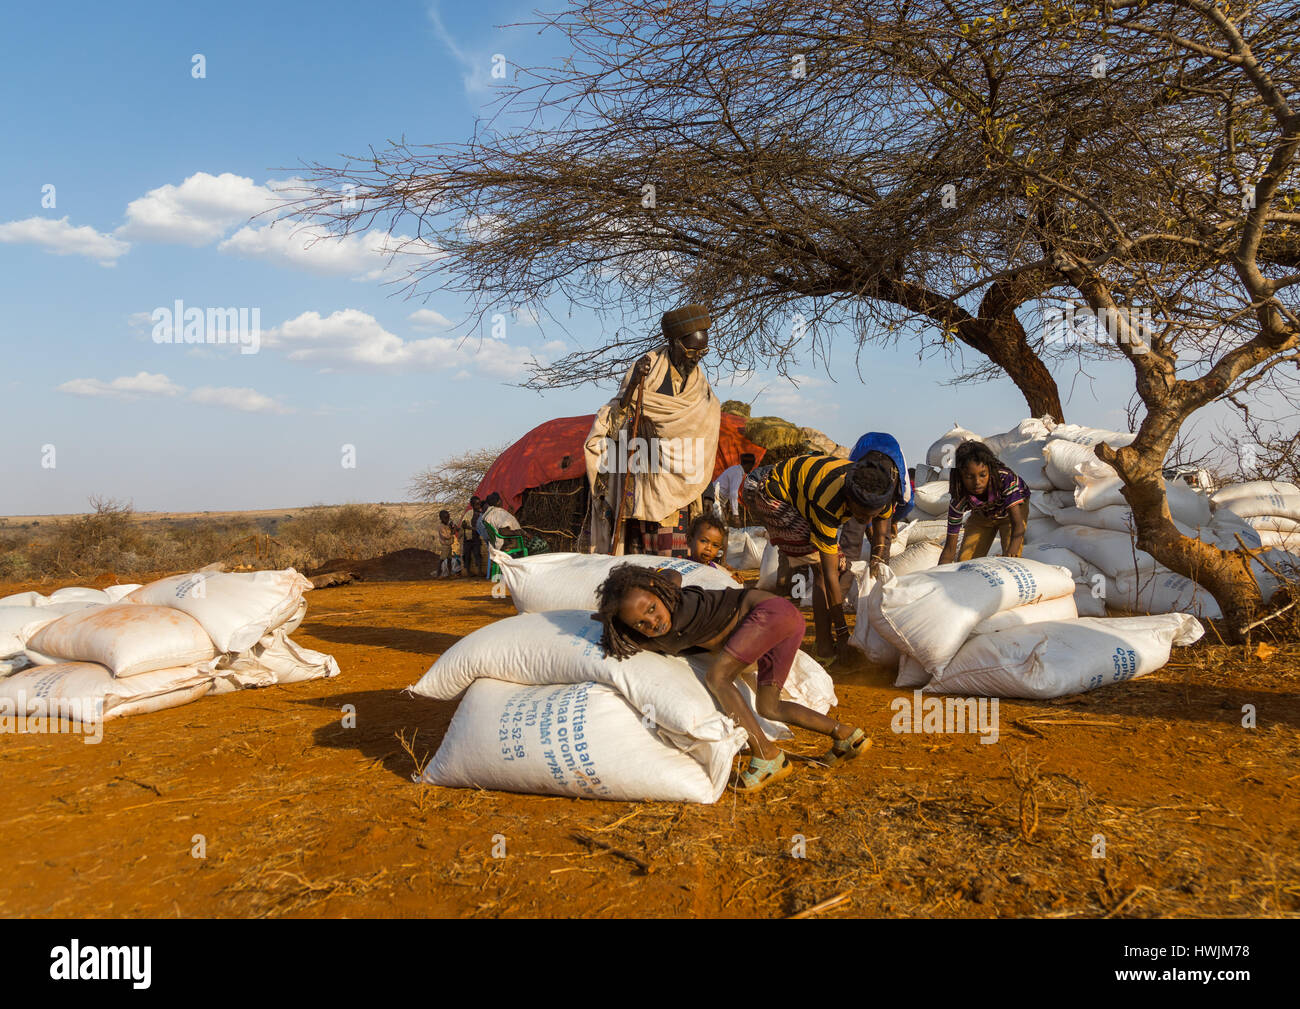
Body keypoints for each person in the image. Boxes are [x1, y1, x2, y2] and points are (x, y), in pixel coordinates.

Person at [592, 564, 868, 792]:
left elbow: (657, 628)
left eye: (652, 609)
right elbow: (672, 577)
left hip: (767, 614)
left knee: (718, 677)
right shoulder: (668, 598)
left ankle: (766, 754)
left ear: (657, 592)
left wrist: (616, 630)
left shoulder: (677, 620)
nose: (653, 622)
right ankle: (846, 735)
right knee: (769, 706)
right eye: (641, 623)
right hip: (785, 617)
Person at [584, 304, 722, 558]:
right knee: (640, 562)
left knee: (675, 562)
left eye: (703, 350)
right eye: (692, 349)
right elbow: (614, 418)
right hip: (643, 482)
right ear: (674, 342)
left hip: (683, 488)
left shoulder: (700, 386)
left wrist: (705, 488)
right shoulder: (647, 370)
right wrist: (633, 384)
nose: (697, 356)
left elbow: (704, 435)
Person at [743, 453, 899, 666]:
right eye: (862, 516)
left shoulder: (879, 492)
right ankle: (825, 647)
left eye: (873, 515)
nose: (867, 521)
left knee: (837, 564)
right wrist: (844, 635)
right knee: (822, 570)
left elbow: (881, 532)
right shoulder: (829, 502)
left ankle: (827, 642)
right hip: (768, 492)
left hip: (797, 488)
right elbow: (828, 574)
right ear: (849, 499)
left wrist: (878, 561)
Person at [937, 440, 1031, 565]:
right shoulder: (959, 499)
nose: (977, 482)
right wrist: (941, 573)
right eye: (969, 477)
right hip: (982, 514)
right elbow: (949, 548)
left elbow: (1018, 524)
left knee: (1011, 557)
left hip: (1012, 513)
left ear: (990, 471)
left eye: (982, 475)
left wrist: (1012, 551)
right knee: (966, 562)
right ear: (960, 477)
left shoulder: (1005, 479)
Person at [848, 432, 915, 574]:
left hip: (866, 466)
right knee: (882, 539)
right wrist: (893, 521)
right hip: (882, 468)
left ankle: (846, 577)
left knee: (852, 535)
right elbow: (908, 501)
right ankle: (879, 578)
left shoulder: (859, 447)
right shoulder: (897, 453)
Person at [711, 452, 757, 525]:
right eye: (752, 466)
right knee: (721, 528)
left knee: (720, 526)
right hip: (713, 500)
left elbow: (725, 489)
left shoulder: (735, 469)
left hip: (716, 499)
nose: (752, 468)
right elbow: (733, 493)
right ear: (748, 465)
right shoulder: (737, 473)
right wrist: (736, 516)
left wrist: (723, 506)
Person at [460, 496, 485, 578]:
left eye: (479, 504)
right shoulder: (469, 513)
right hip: (468, 538)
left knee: (477, 554)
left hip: (476, 538)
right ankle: (467, 571)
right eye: (476, 504)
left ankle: (480, 571)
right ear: (472, 505)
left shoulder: (481, 514)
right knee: (467, 555)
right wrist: (472, 528)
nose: (478, 506)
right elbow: (463, 525)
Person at [434, 509, 459, 579]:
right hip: (445, 546)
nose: (447, 519)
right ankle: (438, 574)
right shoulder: (441, 527)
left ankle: (450, 573)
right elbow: (447, 536)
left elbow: (454, 531)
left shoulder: (448, 525)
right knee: (442, 559)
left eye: (448, 518)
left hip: (449, 545)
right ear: (441, 518)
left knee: (449, 559)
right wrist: (453, 530)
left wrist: (453, 527)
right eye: (445, 518)